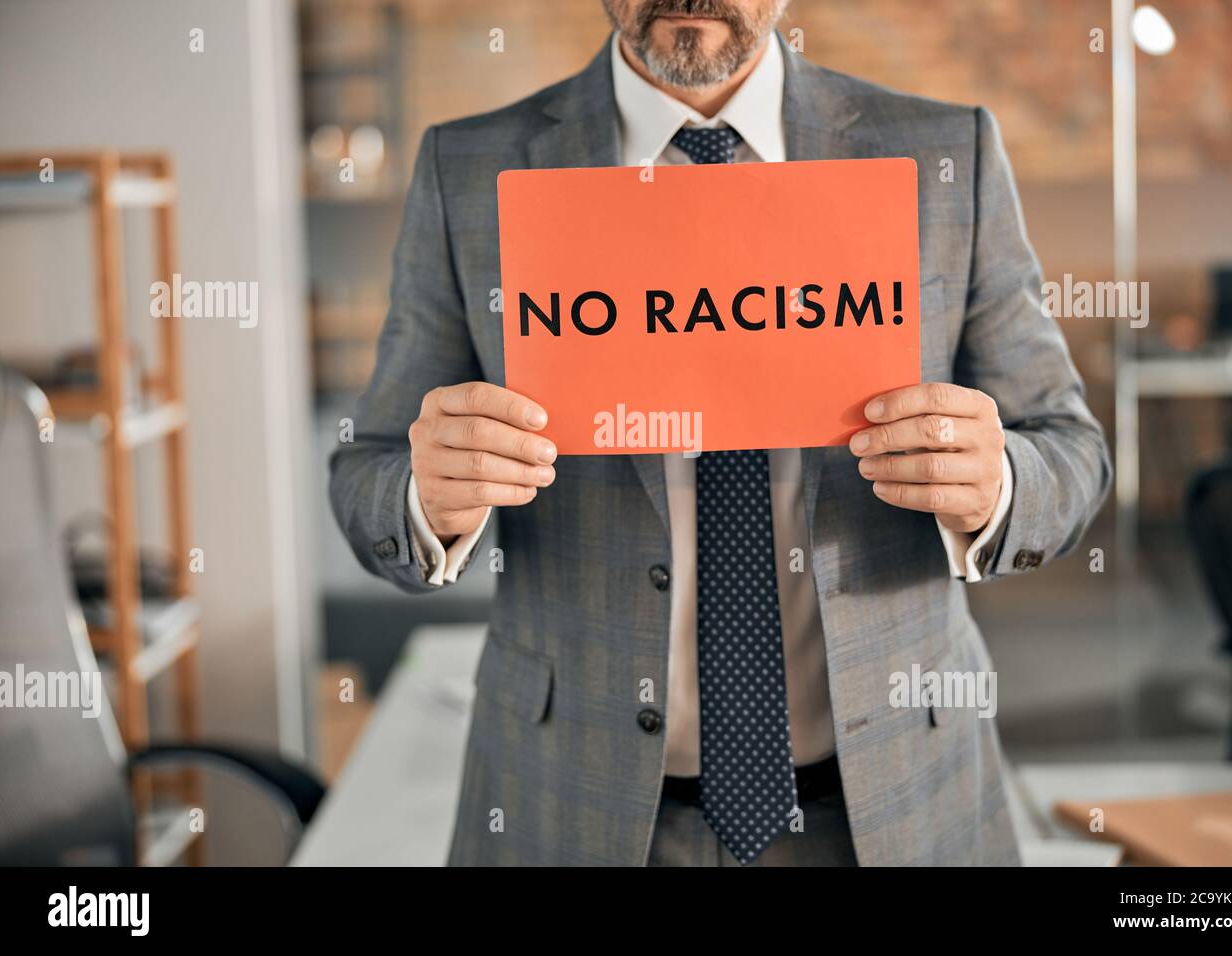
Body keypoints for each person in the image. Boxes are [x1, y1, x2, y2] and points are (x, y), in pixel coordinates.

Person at [329, 0, 1111, 866]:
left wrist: (999, 481)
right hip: (571, 802)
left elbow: (1070, 448)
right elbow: (367, 470)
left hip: (896, 798)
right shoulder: (469, 167)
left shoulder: (945, 151)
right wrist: (425, 497)